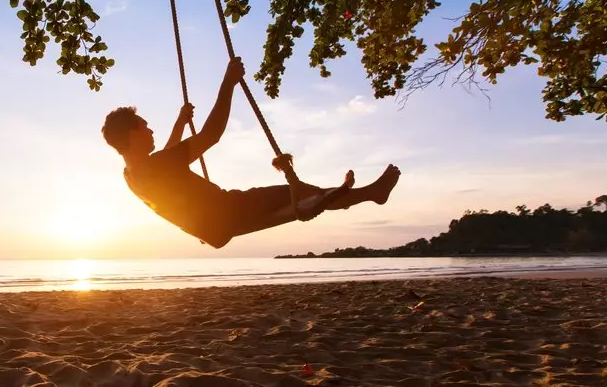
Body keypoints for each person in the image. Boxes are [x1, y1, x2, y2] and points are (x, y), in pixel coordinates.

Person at [102, 57, 401, 248]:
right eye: (144, 127)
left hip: (212, 228)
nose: (150, 131)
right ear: (130, 134)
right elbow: (211, 135)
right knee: (303, 194)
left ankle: (355, 195)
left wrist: (180, 123)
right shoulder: (156, 166)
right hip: (229, 210)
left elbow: (167, 157)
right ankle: (368, 194)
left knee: (300, 199)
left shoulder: (133, 174)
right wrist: (227, 84)